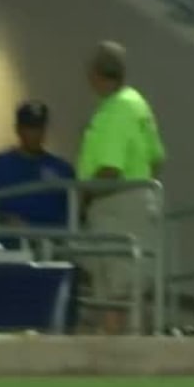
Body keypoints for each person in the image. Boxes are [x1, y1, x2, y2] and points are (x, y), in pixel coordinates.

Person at [76, 41, 165, 336]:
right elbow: (157, 158)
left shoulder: (114, 111)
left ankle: (116, 350)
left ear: (95, 74)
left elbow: (109, 169)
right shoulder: (137, 104)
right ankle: (134, 343)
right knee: (131, 285)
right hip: (141, 200)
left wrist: (84, 199)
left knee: (113, 288)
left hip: (115, 206)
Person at [0, 101, 74, 242]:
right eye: (29, 128)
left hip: (50, 248)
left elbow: (73, 215)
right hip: (6, 249)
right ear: (18, 129)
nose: (35, 134)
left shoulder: (62, 169)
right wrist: (1, 218)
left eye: (39, 128)